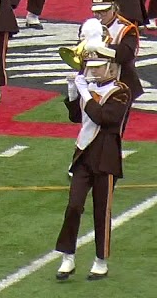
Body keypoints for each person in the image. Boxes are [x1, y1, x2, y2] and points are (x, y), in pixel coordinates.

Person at [55, 48, 130, 282]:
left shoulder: (121, 91)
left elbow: (104, 118)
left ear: (110, 66)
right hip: (83, 154)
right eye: (90, 66)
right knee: (73, 206)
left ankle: (101, 260)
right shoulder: (91, 87)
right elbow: (77, 118)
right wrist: (73, 92)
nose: (92, 70)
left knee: (101, 211)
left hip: (105, 158)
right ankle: (67, 256)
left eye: (97, 66)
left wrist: (85, 93)